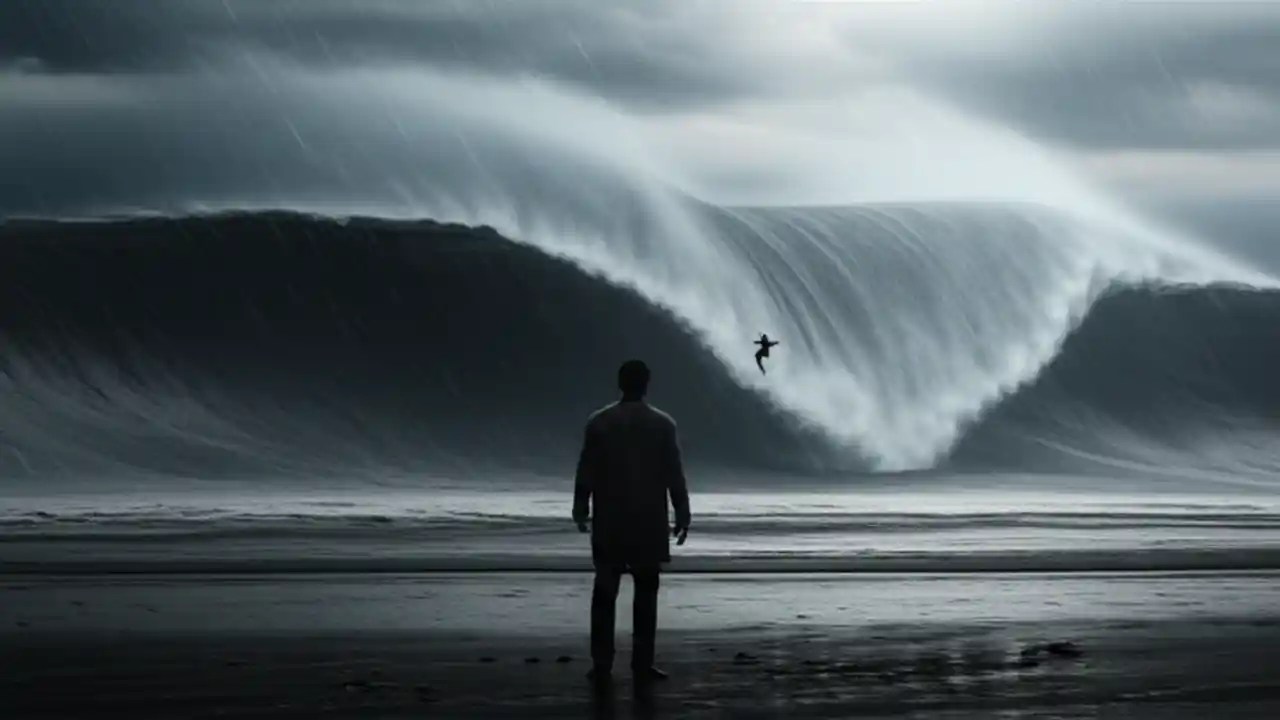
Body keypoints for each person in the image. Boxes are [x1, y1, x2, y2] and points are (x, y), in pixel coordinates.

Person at [573, 359, 691, 684]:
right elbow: (673, 473)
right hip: (647, 519)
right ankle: (642, 663)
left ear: (619, 383)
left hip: (611, 518)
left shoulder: (599, 422)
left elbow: (587, 469)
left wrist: (580, 507)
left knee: (605, 591)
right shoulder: (663, 424)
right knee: (646, 592)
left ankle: (601, 664)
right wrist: (682, 512)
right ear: (647, 384)